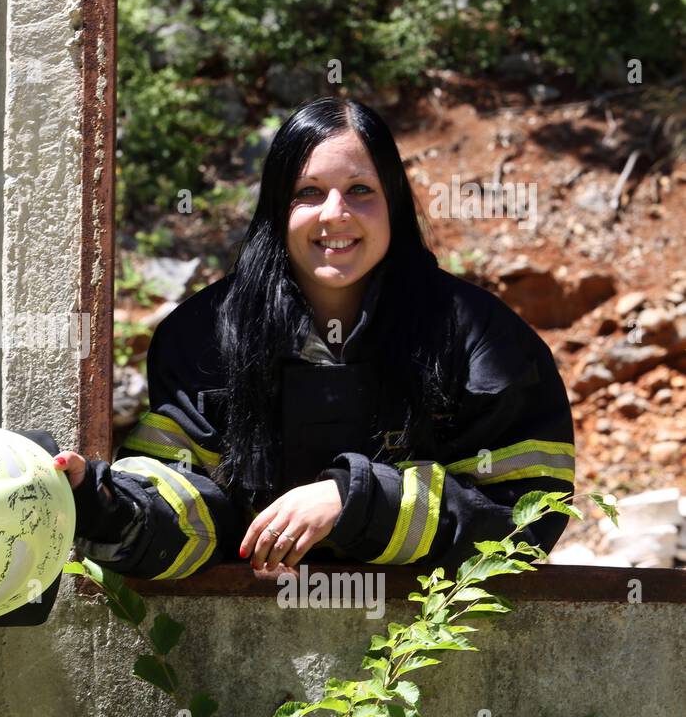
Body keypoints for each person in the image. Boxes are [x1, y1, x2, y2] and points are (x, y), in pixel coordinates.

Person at [55, 96, 575, 580]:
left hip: (422, 649)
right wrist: (106, 507)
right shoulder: (203, 335)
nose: (334, 214)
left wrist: (355, 502)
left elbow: (522, 524)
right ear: (278, 210)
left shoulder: (480, 337)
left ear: (393, 201)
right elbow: (189, 498)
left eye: (360, 191)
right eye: (308, 193)